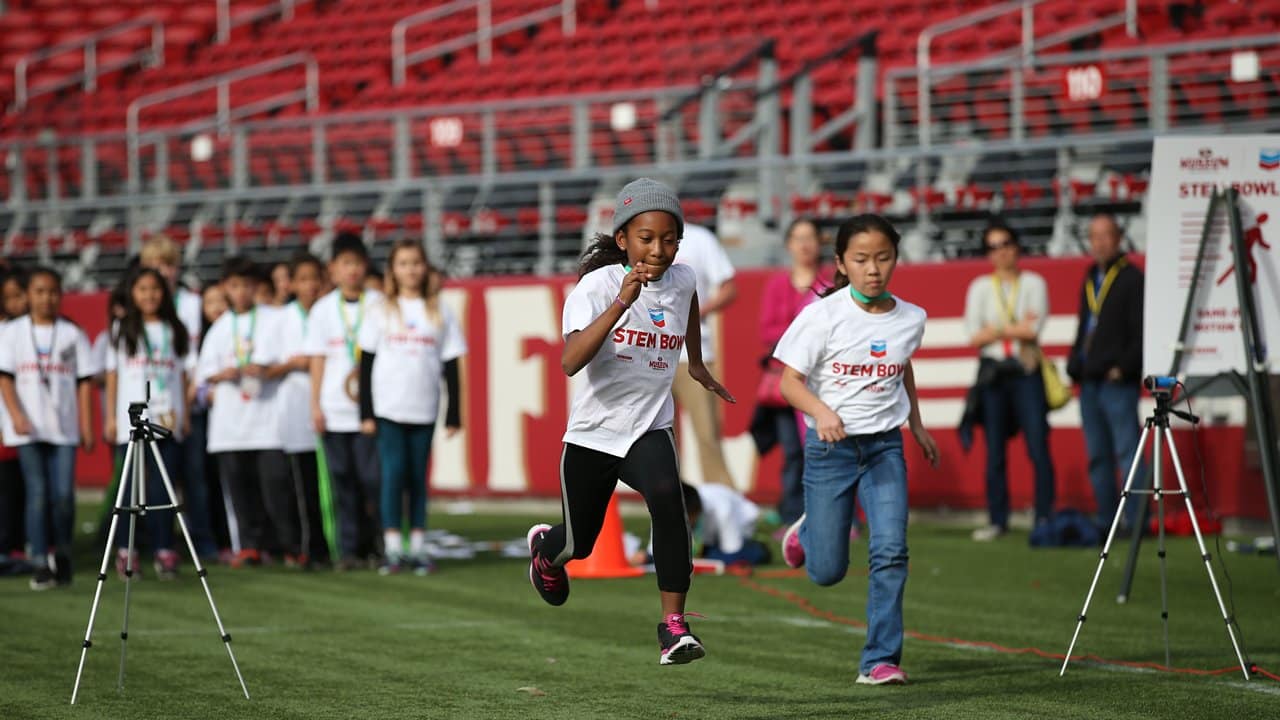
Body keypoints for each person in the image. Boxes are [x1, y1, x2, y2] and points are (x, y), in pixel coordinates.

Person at [526, 179, 734, 665]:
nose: (658, 249)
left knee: (669, 501)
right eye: (646, 238)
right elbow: (571, 361)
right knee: (580, 543)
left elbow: (689, 302)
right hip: (595, 433)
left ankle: (673, 626)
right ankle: (546, 551)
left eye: (669, 239)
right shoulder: (596, 287)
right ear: (623, 239)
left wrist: (697, 362)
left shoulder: (683, 278)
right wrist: (622, 300)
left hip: (648, 427)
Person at [775, 214, 939, 686]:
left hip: (886, 450)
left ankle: (879, 660)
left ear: (895, 259)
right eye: (862, 259)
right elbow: (789, 383)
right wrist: (822, 413)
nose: (874, 269)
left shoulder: (911, 319)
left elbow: (900, 367)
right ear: (842, 264)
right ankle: (807, 536)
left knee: (891, 550)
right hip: (832, 450)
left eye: (883, 258)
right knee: (827, 572)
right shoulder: (823, 316)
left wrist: (917, 425)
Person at [358, 240, 466, 575]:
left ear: (425, 268)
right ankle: (392, 548)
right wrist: (366, 411)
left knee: (417, 478)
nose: (411, 270)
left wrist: (453, 414)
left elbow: (451, 364)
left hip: (424, 407)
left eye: (416, 263)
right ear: (393, 270)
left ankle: (417, 547)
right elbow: (366, 363)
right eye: (403, 263)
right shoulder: (380, 310)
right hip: (389, 408)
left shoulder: (439, 309)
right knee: (393, 475)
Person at [197, 257, 299, 568]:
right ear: (226, 288)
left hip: (268, 422)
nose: (241, 292)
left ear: (257, 287)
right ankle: (250, 546)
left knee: (277, 487)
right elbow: (203, 373)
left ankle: (289, 546)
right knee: (240, 491)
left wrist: (269, 370)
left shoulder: (276, 318)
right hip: (230, 425)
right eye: (234, 285)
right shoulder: (220, 326)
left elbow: (294, 358)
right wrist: (223, 373)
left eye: (247, 285)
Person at [0, 267, 96, 590]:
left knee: (64, 496)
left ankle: (63, 553)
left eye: (53, 292)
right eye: (39, 292)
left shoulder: (72, 334)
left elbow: (84, 383)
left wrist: (86, 424)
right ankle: (40, 561)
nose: (46, 298)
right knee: (37, 495)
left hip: (64, 428)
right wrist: (14, 415)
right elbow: (5, 378)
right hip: (27, 429)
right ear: (28, 295)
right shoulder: (12, 332)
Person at [962, 222, 1055, 542]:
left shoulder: (1034, 282)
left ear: (1016, 246)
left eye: (1005, 244)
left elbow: (1034, 329)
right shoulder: (979, 287)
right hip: (993, 374)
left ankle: (1044, 516)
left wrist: (997, 328)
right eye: (993, 246)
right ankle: (997, 520)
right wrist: (1014, 326)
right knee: (994, 452)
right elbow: (974, 335)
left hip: (1025, 370)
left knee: (1037, 445)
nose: (1000, 251)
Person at [104, 267, 192, 580]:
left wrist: (185, 416)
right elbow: (113, 375)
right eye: (142, 289)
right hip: (131, 420)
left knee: (162, 489)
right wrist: (110, 418)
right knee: (129, 490)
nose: (149, 295)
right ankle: (127, 552)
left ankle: (164, 550)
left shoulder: (174, 328)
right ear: (132, 294)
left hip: (166, 419)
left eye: (155, 289)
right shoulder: (121, 328)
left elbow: (180, 374)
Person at [306, 233, 383, 569]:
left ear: (365, 267)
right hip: (335, 409)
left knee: (373, 481)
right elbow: (318, 360)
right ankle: (348, 550)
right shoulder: (323, 309)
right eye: (345, 264)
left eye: (356, 263)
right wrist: (315, 405)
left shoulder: (379, 303)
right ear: (333, 270)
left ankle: (377, 545)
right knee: (343, 482)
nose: (351, 271)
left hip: (372, 410)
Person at [1067, 214, 1145, 529]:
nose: (1099, 243)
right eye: (1094, 236)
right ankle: (1107, 522)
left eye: (1106, 236)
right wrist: (1075, 362)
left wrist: (1123, 367)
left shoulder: (1132, 278)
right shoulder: (1090, 276)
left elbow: (1141, 331)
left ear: (1118, 238)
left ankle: (1137, 521)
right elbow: (1085, 325)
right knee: (1097, 458)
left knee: (1128, 454)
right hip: (1089, 381)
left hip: (1117, 382)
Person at [756, 218, 829, 526]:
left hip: (822, 382)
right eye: (798, 238)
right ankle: (792, 519)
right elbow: (766, 330)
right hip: (786, 383)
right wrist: (802, 332)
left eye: (810, 237)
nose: (804, 245)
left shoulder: (829, 283)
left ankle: (832, 516)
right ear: (788, 244)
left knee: (824, 451)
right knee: (793, 453)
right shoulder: (777, 285)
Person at [265, 253, 329, 566]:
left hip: (332, 407)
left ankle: (336, 545)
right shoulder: (281, 318)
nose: (310, 286)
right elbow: (264, 366)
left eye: (315, 278)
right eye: (303, 279)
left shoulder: (332, 312)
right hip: (296, 407)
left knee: (333, 482)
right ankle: (307, 547)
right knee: (303, 485)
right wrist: (297, 362)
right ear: (291, 284)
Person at [671, 222, 737, 487]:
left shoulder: (699, 238)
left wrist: (697, 313)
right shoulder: (640, 234)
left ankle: (726, 507)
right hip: (650, 353)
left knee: (707, 434)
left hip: (694, 355)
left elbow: (728, 287)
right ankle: (667, 501)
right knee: (657, 440)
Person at [0, 267, 28, 560]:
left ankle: (21, 543)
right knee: (7, 487)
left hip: (29, 422)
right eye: (10, 297)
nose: (16, 303)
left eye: (20, 296)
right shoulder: (6, 331)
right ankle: (8, 545)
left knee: (24, 487)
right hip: (8, 420)